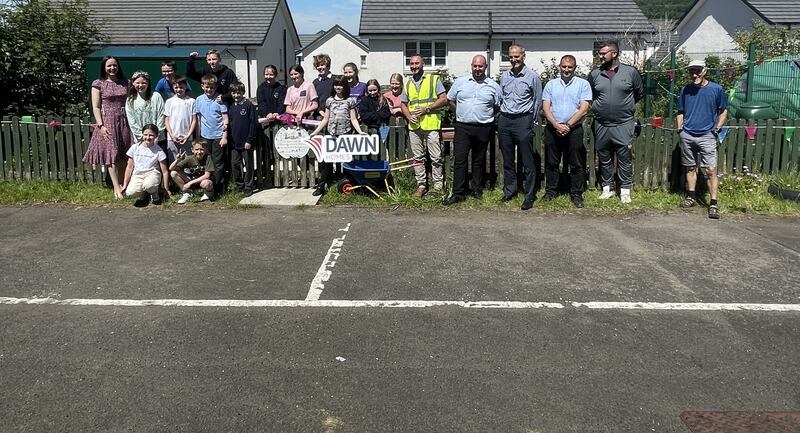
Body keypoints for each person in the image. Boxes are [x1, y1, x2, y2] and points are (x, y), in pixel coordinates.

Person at [587, 40, 644, 204]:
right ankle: (607, 188)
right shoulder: (594, 74)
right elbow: (589, 95)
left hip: (624, 123)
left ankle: (625, 190)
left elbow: (639, 93)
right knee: (604, 157)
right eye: (600, 53)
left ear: (614, 53)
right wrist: (598, 107)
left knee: (624, 157)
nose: (600, 56)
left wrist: (625, 108)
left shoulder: (631, 72)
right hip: (602, 123)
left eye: (603, 53)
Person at [443, 55, 501, 205]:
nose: (477, 69)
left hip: (483, 127)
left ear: (485, 67)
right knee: (460, 159)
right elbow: (450, 100)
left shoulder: (494, 86)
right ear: (471, 66)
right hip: (463, 126)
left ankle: (476, 189)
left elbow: (497, 106)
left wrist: (484, 114)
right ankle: (458, 193)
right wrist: (461, 112)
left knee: (478, 160)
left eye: (480, 66)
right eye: (475, 66)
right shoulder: (460, 82)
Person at [676, 59, 729, 220]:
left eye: (697, 71)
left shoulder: (716, 89)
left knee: (711, 170)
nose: (694, 74)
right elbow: (680, 111)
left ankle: (713, 203)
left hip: (707, 135)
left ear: (705, 71)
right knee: (690, 167)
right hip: (688, 134)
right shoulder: (686, 90)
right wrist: (680, 129)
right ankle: (691, 196)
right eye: (691, 71)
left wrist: (717, 128)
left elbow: (723, 110)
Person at [542, 54, 592, 208]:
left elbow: (584, 109)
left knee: (576, 163)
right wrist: (557, 125)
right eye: (564, 66)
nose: (566, 70)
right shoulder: (551, 85)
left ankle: (576, 193)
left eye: (570, 67)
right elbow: (545, 108)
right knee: (552, 162)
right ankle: (551, 191)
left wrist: (568, 125)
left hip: (574, 128)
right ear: (559, 67)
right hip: (553, 128)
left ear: (575, 68)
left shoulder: (583, 84)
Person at [498, 44, 542, 210]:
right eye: (511, 57)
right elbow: (501, 98)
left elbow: (537, 100)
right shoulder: (504, 76)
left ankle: (529, 195)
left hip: (523, 120)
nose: (514, 60)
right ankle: (510, 191)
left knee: (527, 160)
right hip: (505, 120)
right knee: (508, 159)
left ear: (523, 56)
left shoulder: (533, 77)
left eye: (517, 56)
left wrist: (531, 120)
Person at [83, 55, 133, 199]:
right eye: (109, 66)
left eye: (115, 65)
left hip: (124, 120)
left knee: (124, 153)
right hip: (108, 122)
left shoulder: (125, 82)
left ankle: (125, 185)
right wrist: (101, 125)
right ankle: (116, 188)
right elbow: (96, 106)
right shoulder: (98, 83)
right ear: (104, 67)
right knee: (112, 155)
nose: (112, 68)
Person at [310, 75, 367, 196]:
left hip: (345, 134)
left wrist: (360, 131)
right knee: (326, 162)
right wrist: (315, 132)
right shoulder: (329, 101)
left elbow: (353, 119)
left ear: (345, 86)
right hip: (331, 134)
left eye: (341, 85)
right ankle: (322, 186)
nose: (338, 87)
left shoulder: (350, 101)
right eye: (336, 85)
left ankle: (348, 185)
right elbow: (325, 119)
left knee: (345, 160)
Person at [400, 55, 449, 197]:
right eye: (412, 64)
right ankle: (421, 186)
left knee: (436, 157)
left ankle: (438, 186)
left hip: (431, 124)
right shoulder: (408, 83)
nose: (414, 66)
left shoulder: (434, 80)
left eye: (417, 63)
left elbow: (444, 99)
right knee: (417, 158)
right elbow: (403, 104)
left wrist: (427, 108)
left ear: (423, 64)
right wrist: (408, 116)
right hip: (414, 127)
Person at [194, 74, 229, 196]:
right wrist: (198, 137)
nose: (209, 90)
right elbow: (198, 119)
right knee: (206, 162)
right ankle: (207, 187)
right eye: (207, 87)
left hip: (218, 136)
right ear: (202, 86)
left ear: (215, 87)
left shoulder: (219, 100)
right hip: (205, 136)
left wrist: (224, 136)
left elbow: (225, 119)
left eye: (212, 88)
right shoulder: (199, 100)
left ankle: (218, 187)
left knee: (218, 162)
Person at [120, 124, 170, 207]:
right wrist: (125, 184)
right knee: (130, 193)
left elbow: (165, 172)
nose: (148, 137)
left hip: (152, 173)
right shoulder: (135, 148)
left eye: (151, 135)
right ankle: (144, 193)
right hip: (138, 175)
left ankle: (154, 193)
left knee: (149, 185)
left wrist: (166, 188)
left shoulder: (158, 150)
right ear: (142, 135)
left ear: (156, 136)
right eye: (145, 135)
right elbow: (129, 167)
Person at [125, 70, 166, 160]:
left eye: (144, 83)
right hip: (141, 140)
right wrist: (143, 137)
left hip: (157, 140)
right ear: (133, 83)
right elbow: (132, 121)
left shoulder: (156, 96)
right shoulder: (130, 100)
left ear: (148, 83)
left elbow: (161, 116)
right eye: (137, 83)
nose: (140, 85)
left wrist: (155, 136)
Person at [228, 81, 259, 197]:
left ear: (243, 92)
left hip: (246, 142)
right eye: (234, 93)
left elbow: (253, 124)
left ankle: (248, 186)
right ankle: (239, 185)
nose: (236, 95)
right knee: (235, 164)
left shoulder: (248, 105)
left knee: (249, 165)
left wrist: (249, 140)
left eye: (238, 93)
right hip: (235, 143)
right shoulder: (232, 107)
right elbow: (231, 124)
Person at [170, 139, 215, 204]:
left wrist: (190, 183)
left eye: (201, 149)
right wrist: (177, 160)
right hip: (191, 180)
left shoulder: (208, 158)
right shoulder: (190, 158)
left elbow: (207, 175)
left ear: (205, 149)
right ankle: (187, 192)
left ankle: (208, 193)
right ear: (192, 150)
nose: (199, 152)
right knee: (173, 173)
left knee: (206, 183)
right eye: (197, 149)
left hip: (202, 181)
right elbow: (171, 168)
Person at [163, 75, 197, 160]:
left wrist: (188, 136)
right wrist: (172, 135)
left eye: (181, 87)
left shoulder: (192, 101)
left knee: (187, 163)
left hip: (187, 138)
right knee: (173, 163)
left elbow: (194, 120)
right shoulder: (169, 102)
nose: (179, 89)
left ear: (186, 87)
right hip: (172, 138)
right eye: (176, 87)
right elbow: (166, 120)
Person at [312, 54, 334, 118]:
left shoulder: (335, 79)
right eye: (318, 66)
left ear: (328, 65)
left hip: (333, 112)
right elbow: (314, 99)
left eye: (322, 65)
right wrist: (320, 110)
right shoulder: (315, 82)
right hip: (319, 114)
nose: (320, 67)